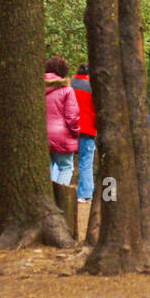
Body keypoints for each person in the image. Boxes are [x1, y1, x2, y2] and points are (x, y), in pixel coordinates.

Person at [44, 56, 80, 186]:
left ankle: (46, 196)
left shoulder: (36, 89)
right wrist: (75, 132)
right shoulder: (67, 90)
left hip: (41, 135)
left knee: (44, 169)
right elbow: (72, 116)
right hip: (61, 135)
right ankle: (59, 199)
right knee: (66, 167)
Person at [71, 65, 97, 203]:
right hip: (87, 129)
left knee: (63, 162)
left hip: (68, 129)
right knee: (85, 162)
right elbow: (94, 111)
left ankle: (57, 190)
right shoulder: (91, 88)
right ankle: (85, 194)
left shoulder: (69, 84)